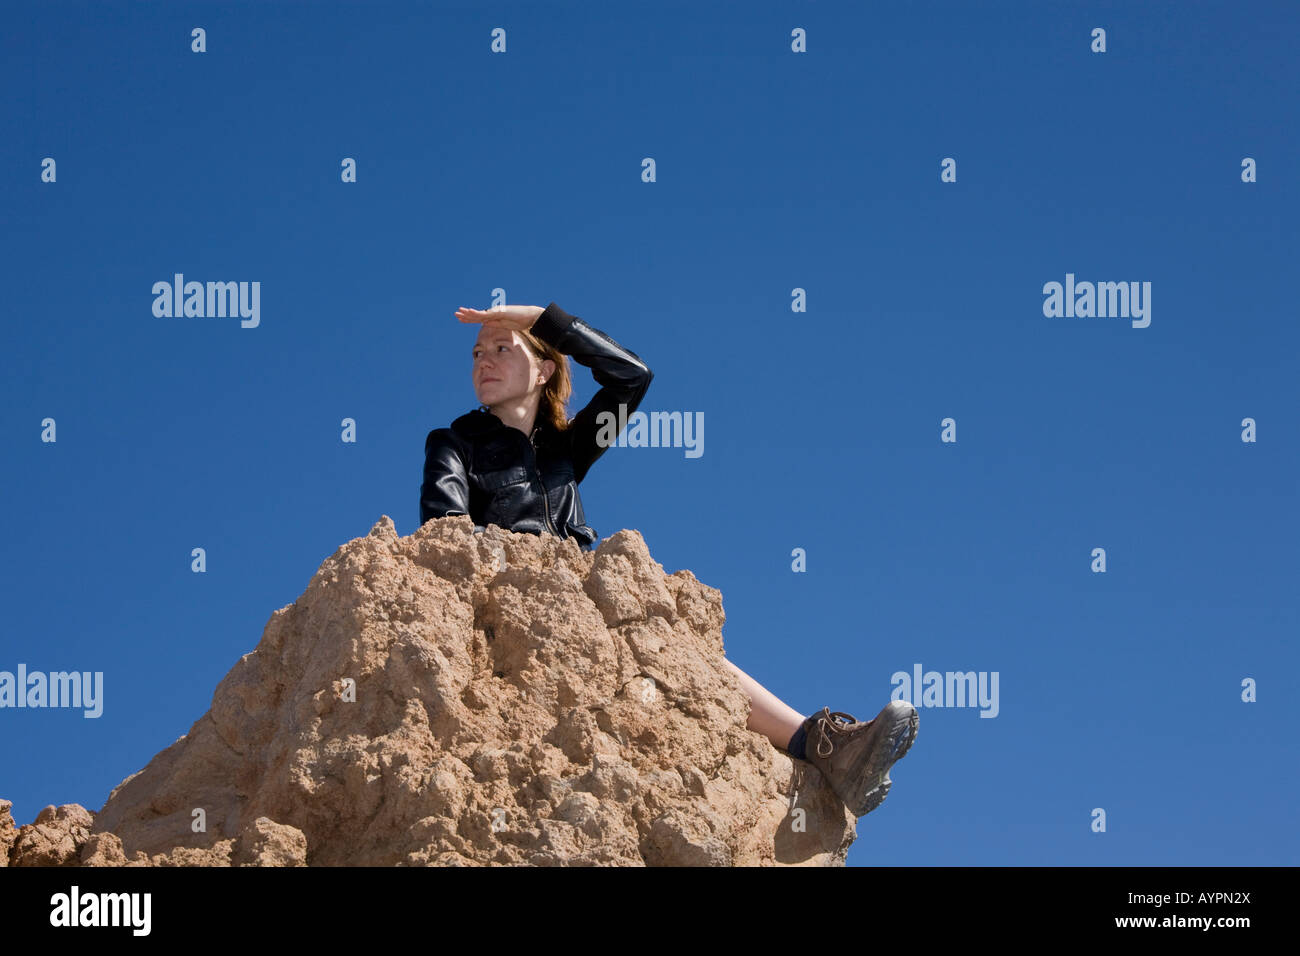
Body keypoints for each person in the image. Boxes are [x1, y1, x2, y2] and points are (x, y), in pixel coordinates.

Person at [420, 301, 919, 817]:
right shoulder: (455, 444)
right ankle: (820, 745)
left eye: (503, 347)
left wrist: (543, 318)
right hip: (516, 623)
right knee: (663, 641)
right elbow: (442, 538)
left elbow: (632, 377)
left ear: (545, 369)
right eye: (478, 352)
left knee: (680, 645)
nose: (484, 359)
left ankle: (823, 748)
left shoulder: (566, 452)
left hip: (591, 615)